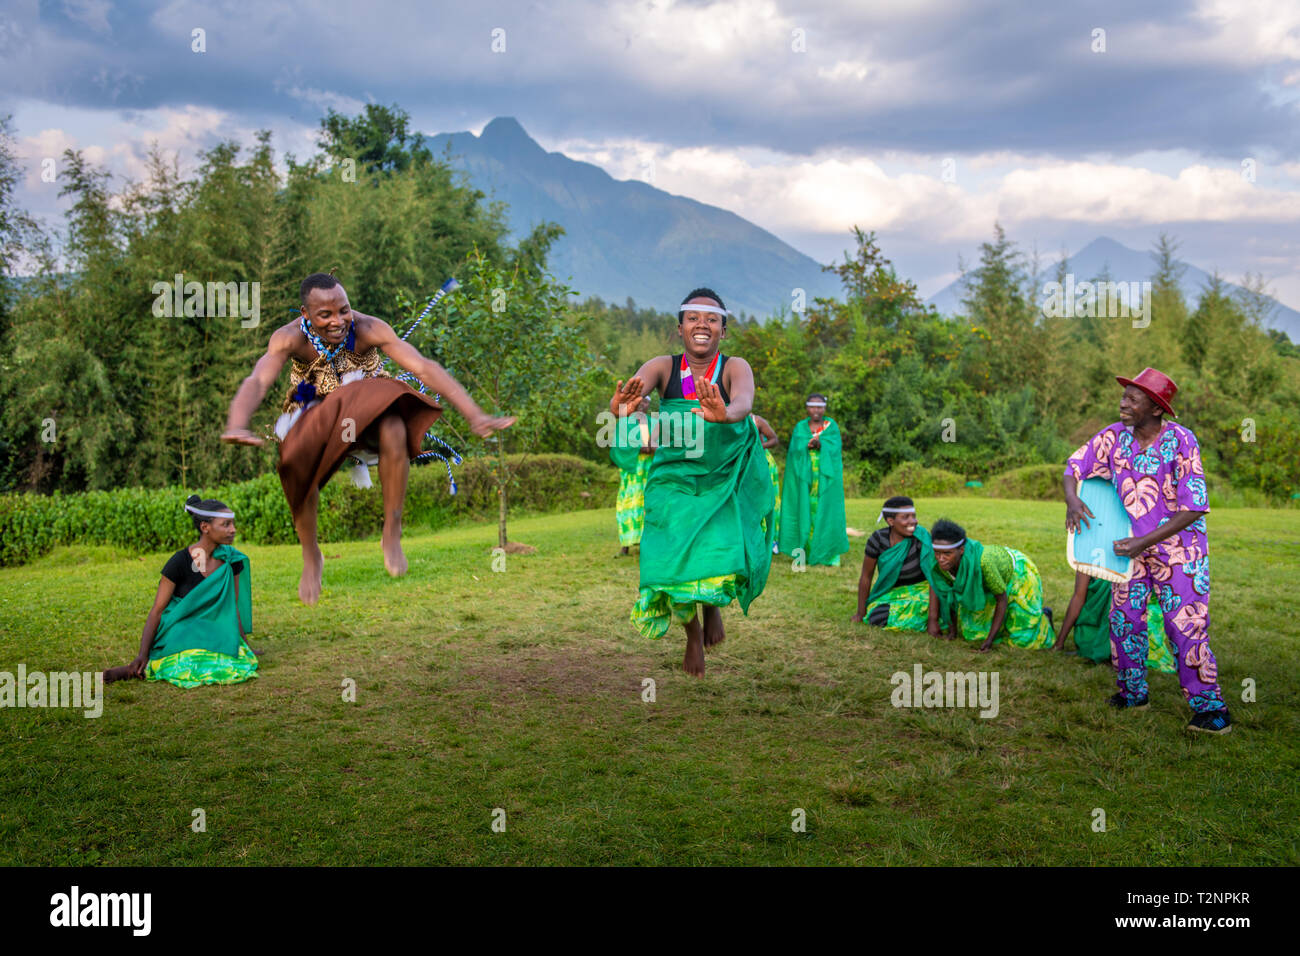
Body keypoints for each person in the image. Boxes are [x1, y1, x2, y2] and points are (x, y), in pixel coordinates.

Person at [221, 273, 515, 604]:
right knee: (294, 465)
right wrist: (237, 422)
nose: (338, 321)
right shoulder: (288, 338)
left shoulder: (369, 328)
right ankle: (311, 555)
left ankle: (392, 530)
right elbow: (258, 380)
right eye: (325, 315)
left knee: (394, 427)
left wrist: (474, 414)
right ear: (305, 314)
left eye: (344, 310)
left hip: (367, 411)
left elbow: (422, 366)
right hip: (317, 416)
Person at [609, 288, 775, 676]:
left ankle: (713, 604)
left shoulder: (735, 367)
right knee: (666, 555)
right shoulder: (662, 367)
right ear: (679, 328)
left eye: (712, 319)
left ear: (723, 330)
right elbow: (625, 405)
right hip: (674, 478)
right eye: (694, 319)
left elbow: (744, 402)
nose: (703, 325)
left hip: (722, 477)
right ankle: (692, 631)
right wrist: (622, 408)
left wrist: (727, 412)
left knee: (719, 548)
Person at [1064, 367, 1231, 734]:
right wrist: (1072, 500)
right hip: (1131, 552)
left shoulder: (1182, 441)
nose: (1122, 404)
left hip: (1180, 552)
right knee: (1124, 620)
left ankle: (1211, 710)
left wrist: (1144, 541)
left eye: (1132, 399)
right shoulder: (1114, 437)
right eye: (1124, 396)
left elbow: (1195, 506)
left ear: (1155, 408)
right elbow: (1074, 465)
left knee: (1183, 626)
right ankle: (1133, 693)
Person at [104, 496, 259, 688]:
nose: (233, 529)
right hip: (182, 626)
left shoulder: (231, 561)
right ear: (205, 527)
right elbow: (157, 610)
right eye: (226, 524)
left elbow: (232, 606)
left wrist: (244, 645)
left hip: (213, 627)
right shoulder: (179, 562)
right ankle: (135, 668)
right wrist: (142, 654)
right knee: (187, 657)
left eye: (233, 524)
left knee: (229, 659)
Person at [927, 518, 1054, 651]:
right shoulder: (938, 565)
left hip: (1016, 574)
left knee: (1025, 641)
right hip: (989, 579)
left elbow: (1001, 599)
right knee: (974, 634)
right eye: (937, 553)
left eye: (947, 553)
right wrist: (953, 633)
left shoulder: (984, 563)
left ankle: (1045, 615)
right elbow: (950, 596)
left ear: (962, 550)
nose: (941, 559)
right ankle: (1004, 624)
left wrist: (989, 642)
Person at [1052, 570, 1177, 675]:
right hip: (1094, 629)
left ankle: (1118, 651)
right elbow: (1078, 597)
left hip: (1137, 625)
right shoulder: (1089, 554)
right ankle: (1109, 649)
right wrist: (1060, 642)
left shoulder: (1137, 552)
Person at [778, 393, 849, 566]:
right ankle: (804, 552)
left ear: (824, 408)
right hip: (804, 480)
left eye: (820, 407)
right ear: (807, 408)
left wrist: (821, 445)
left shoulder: (830, 426)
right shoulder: (800, 427)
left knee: (826, 512)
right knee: (804, 511)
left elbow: (834, 448)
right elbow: (794, 450)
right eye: (812, 406)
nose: (816, 410)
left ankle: (828, 555)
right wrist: (806, 445)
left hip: (825, 479)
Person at [852, 496, 938, 631]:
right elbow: (866, 576)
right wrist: (860, 613)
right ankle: (916, 620)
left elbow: (934, 578)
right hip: (893, 593)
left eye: (914, 516)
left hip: (923, 593)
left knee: (935, 607)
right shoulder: (878, 539)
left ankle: (929, 619)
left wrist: (933, 620)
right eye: (905, 517)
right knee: (876, 617)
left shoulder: (921, 537)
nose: (913, 521)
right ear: (891, 521)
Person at [610, 395, 656, 555]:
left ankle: (648, 543)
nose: (643, 405)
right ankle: (626, 545)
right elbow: (618, 447)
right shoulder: (624, 424)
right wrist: (638, 448)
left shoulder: (653, 422)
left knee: (649, 505)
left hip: (650, 473)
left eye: (646, 402)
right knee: (629, 505)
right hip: (632, 474)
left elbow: (661, 443)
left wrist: (652, 448)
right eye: (640, 402)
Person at [751, 412, 781, 549]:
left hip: (763, 462)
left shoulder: (756, 420)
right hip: (745, 465)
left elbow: (774, 439)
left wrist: (759, 446)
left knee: (769, 500)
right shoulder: (727, 418)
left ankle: (772, 539)